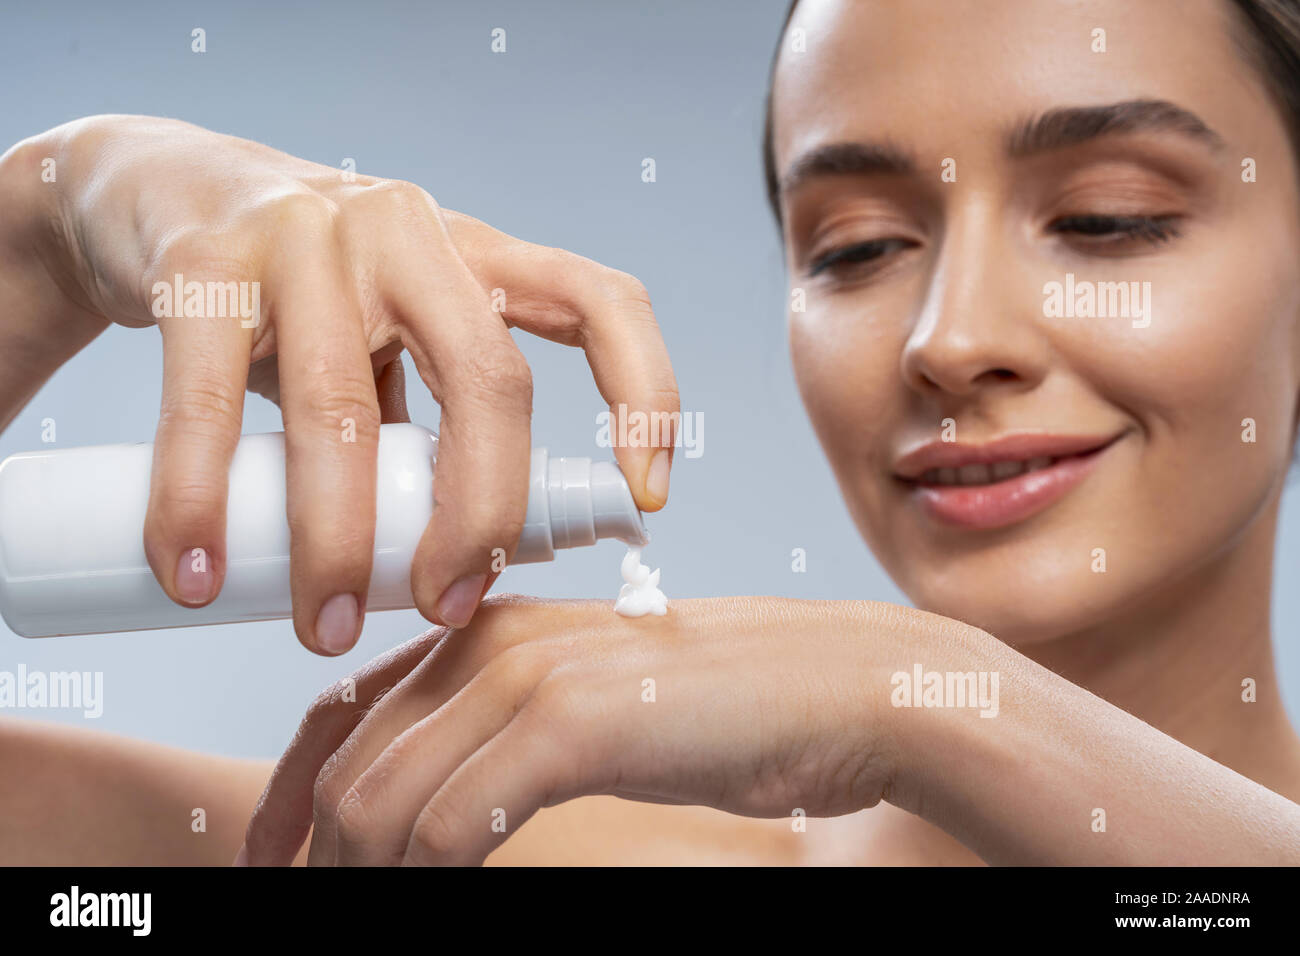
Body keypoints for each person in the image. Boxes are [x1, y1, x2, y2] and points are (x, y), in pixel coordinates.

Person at [4, 0, 1300, 866]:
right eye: (858, 247)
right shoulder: (509, 844)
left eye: (1111, 220)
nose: (949, 339)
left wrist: (932, 706)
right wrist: (60, 206)